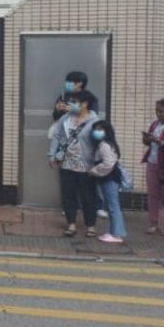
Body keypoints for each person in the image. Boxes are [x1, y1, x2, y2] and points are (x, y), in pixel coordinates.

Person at [48, 89, 101, 237]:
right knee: (68, 195)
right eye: (70, 101)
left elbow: (100, 143)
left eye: (74, 102)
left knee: (88, 196)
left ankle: (91, 226)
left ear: (85, 104)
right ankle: (71, 224)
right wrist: (52, 155)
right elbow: (57, 136)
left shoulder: (95, 121)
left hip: (86, 166)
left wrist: (98, 163)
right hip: (67, 164)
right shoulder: (65, 118)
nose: (70, 104)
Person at [142, 98, 164, 237]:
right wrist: (147, 139)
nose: (158, 114)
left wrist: (158, 141)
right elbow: (148, 144)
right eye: (157, 111)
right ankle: (153, 222)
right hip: (152, 161)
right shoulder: (155, 124)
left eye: (162, 111)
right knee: (153, 194)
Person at [88, 119, 126, 243]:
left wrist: (93, 170)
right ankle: (113, 232)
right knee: (111, 206)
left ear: (106, 131)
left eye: (100, 130)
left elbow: (108, 163)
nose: (96, 132)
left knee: (113, 206)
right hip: (108, 178)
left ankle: (117, 234)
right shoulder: (106, 143)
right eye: (95, 129)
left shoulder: (104, 145)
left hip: (110, 178)